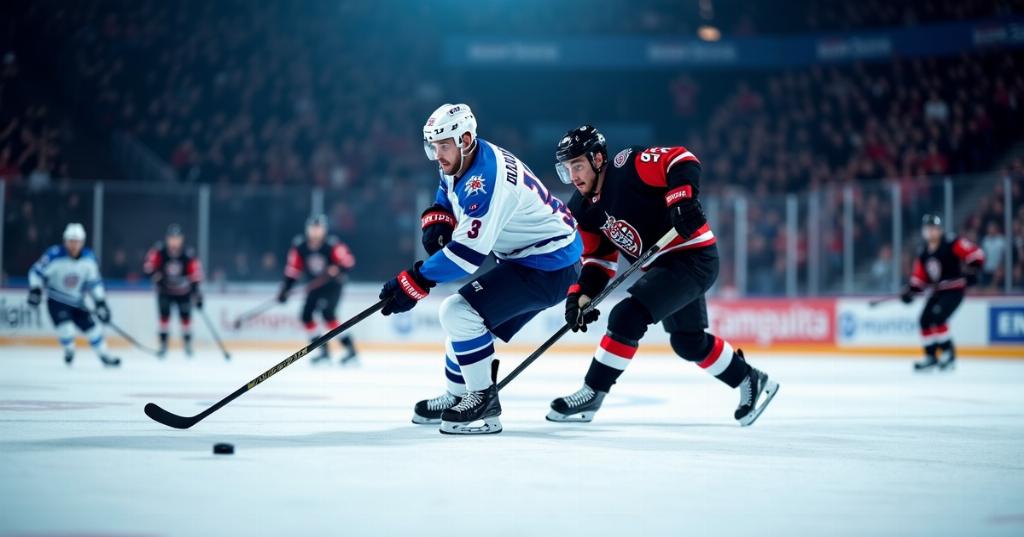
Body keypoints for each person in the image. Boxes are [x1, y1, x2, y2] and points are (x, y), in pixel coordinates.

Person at [548, 125, 778, 427]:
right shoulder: (582, 209)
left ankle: (593, 392)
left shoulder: (627, 167)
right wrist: (582, 294)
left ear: (598, 158)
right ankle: (750, 379)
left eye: (577, 165)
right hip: (664, 269)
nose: (573, 176)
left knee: (626, 316)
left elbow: (681, 160)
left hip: (694, 258)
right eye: (566, 169)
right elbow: (599, 260)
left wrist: (682, 201)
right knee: (687, 342)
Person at [380, 103, 581, 435]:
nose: (437, 155)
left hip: (549, 267)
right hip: (538, 259)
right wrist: (439, 216)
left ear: (465, 139)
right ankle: (458, 395)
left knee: (458, 313)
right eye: (432, 146)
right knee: (465, 325)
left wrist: (414, 281)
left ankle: (483, 401)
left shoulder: (487, 181)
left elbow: (466, 257)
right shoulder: (462, 157)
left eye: (443, 146)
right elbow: (446, 190)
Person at [27, 223, 120, 367]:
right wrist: (35, 289)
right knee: (67, 329)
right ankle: (69, 349)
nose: (74, 245)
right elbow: (35, 272)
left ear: (82, 242)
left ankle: (104, 355)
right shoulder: (54, 255)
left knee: (93, 329)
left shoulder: (89, 259)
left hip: (77, 302)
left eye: (77, 242)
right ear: (65, 241)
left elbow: (94, 282)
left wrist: (101, 302)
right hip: (57, 301)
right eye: (71, 241)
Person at [901, 214, 985, 371]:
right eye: (928, 228)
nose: (931, 231)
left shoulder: (951, 242)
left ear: (940, 230)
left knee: (938, 317)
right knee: (924, 320)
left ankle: (948, 353)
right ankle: (931, 356)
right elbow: (919, 278)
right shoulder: (924, 252)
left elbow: (976, 255)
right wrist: (911, 291)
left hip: (954, 290)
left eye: (934, 228)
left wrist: (973, 269)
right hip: (938, 292)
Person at [278, 214, 358, 365]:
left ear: (324, 230)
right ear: (307, 230)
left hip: (333, 285)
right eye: (313, 228)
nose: (315, 232)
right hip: (315, 285)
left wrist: (337, 268)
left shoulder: (332, 244)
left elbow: (348, 261)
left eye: (318, 228)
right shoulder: (300, 247)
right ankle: (323, 351)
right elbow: (292, 271)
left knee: (328, 314)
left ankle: (350, 350)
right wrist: (285, 290)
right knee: (306, 316)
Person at [143, 224, 203, 357]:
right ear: (167, 239)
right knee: (164, 317)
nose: (174, 242)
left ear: (182, 239)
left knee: (186, 318)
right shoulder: (160, 250)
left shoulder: (188, 253)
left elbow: (196, 273)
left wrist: (196, 292)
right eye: (171, 238)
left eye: (177, 238)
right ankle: (163, 345)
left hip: (183, 292)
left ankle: (187, 344)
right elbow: (148, 266)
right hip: (165, 291)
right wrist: (155, 276)